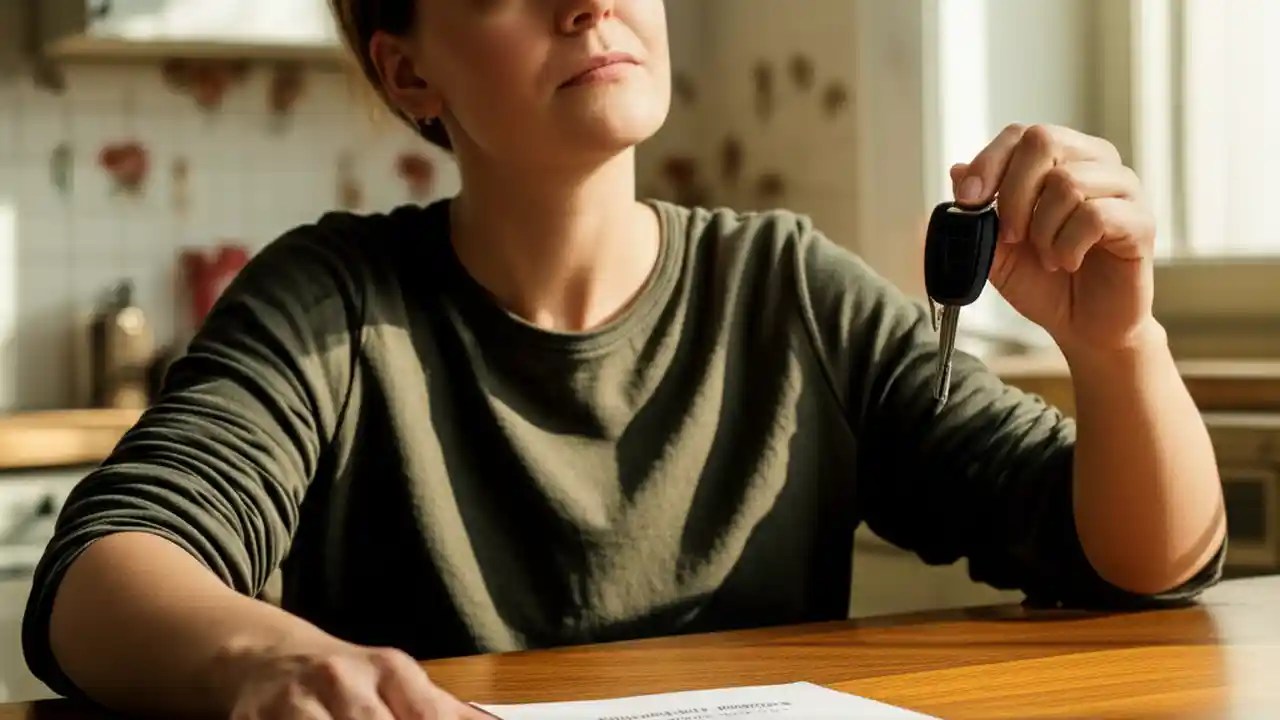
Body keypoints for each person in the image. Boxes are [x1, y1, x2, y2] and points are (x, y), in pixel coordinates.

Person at [22, 0, 1226, 718]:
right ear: (408, 68)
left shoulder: (787, 286)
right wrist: (273, 663)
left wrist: (1118, 343)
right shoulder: (329, 299)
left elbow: (1135, 558)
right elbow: (102, 569)